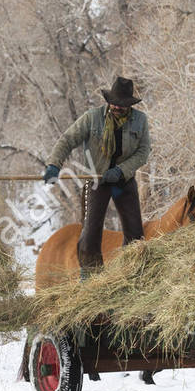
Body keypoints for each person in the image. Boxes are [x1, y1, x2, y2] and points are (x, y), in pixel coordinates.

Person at [44, 76, 152, 276]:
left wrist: (120, 171)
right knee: (90, 234)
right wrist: (54, 165)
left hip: (123, 181)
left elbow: (143, 152)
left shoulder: (140, 121)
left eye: (122, 105)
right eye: (114, 103)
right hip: (96, 181)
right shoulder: (92, 118)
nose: (117, 107)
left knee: (136, 235)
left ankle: (131, 274)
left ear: (129, 105)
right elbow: (67, 140)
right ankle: (92, 279)